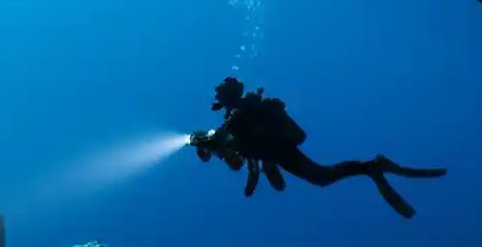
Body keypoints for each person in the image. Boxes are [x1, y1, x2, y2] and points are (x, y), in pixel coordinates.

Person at [190, 77, 447, 219]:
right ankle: (371, 166)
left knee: (321, 177)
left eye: (219, 93)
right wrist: (251, 181)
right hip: (273, 153)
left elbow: (230, 137)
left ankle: (372, 165)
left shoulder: (236, 114)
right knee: (305, 180)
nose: (216, 97)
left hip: (279, 152)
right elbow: (247, 157)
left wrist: (208, 141)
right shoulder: (238, 116)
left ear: (227, 96)